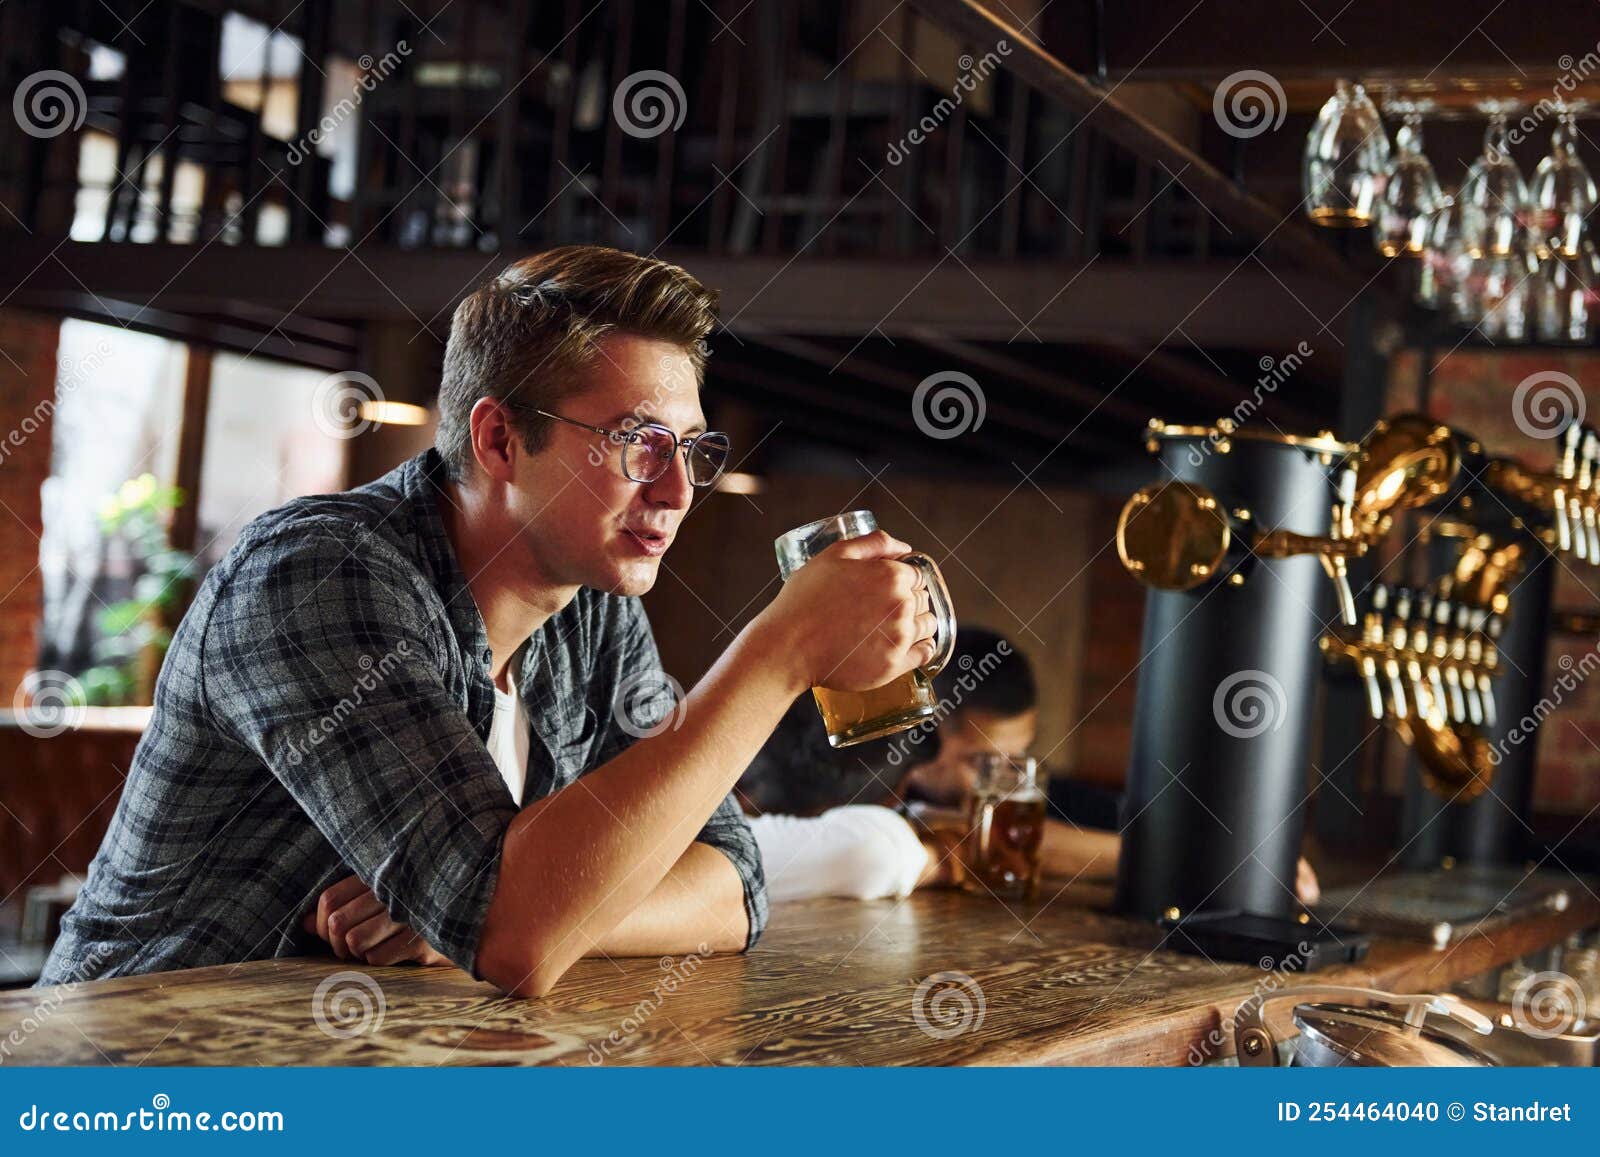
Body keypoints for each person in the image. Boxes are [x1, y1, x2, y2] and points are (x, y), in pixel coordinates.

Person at [39, 246, 944, 997]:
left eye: (693, 451)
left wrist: (483, 915)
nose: (675, 491)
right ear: (499, 439)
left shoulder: (590, 610)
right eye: (640, 443)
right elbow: (518, 940)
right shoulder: (318, 575)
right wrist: (779, 651)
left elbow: (734, 887)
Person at [739, 627, 1320, 907]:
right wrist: (1208, 866)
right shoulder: (847, 806)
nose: (1006, 781)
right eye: (985, 763)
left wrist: (1220, 852)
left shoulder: (1004, 798)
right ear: (926, 737)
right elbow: (972, 849)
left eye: (1017, 761)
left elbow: (1108, 826)